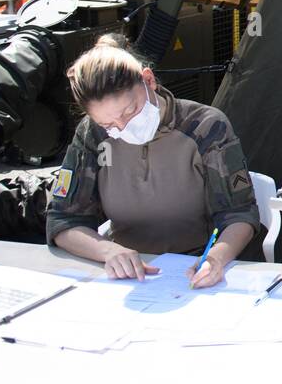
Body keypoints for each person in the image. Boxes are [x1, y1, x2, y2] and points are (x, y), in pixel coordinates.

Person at [45, 34, 261, 287]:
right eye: (109, 124)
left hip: (195, 267)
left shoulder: (205, 126)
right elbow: (63, 221)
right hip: (125, 273)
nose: (123, 127)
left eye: (130, 111)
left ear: (149, 81)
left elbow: (239, 214)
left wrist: (216, 258)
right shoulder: (92, 134)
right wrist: (108, 252)